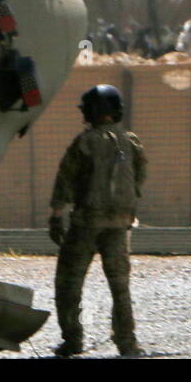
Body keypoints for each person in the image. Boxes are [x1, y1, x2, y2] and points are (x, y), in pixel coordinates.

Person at [48, 84, 147, 356]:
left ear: (93, 111)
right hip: (119, 224)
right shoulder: (131, 142)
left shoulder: (85, 142)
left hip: (86, 224)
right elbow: (139, 178)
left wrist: (57, 216)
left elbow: (65, 180)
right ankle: (127, 343)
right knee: (120, 287)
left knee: (69, 282)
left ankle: (73, 339)